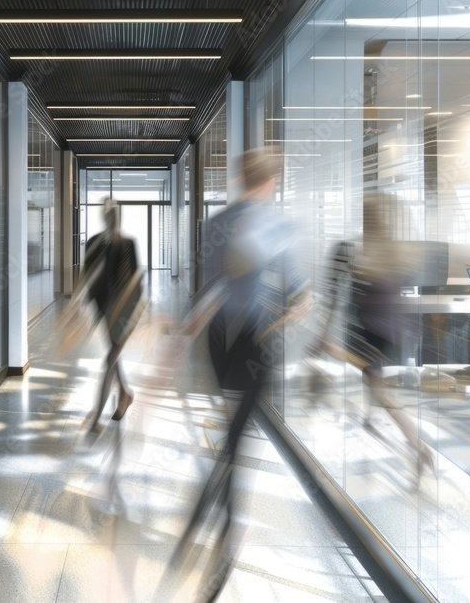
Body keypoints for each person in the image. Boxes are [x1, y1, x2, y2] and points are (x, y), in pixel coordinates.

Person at [152, 147, 311, 602]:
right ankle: (224, 534)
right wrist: (282, 317)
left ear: (241, 179)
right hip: (258, 345)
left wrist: (178, 343)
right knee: (235, 441)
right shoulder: (279, 228)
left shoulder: (215, 225)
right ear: (272, 181)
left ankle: (215, 524)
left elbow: (209, 293)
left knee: (232, 437)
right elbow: (299, 297)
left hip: (220, 343)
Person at [316, 192, 435, 481]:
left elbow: (333, 298)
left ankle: (418, 446)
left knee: (379, 390)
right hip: (394, 333)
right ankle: (372, 420)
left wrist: (324, 336)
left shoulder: (353, 249)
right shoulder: (400, 253)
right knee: (374, 384)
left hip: (369, 334)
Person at [58, 198, 145, 437]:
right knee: (113, 358)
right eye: (107, 212)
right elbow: (85, 275)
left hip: (123, 312)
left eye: (114, 211)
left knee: (109, 359)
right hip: (102, 309)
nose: (111, 215)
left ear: (120, 215)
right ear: (102, 216)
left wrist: (136, 313)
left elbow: (136, 281)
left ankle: (97, 417)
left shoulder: (128, 244)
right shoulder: (94, 243)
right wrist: (73, 303)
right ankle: (125, 394)